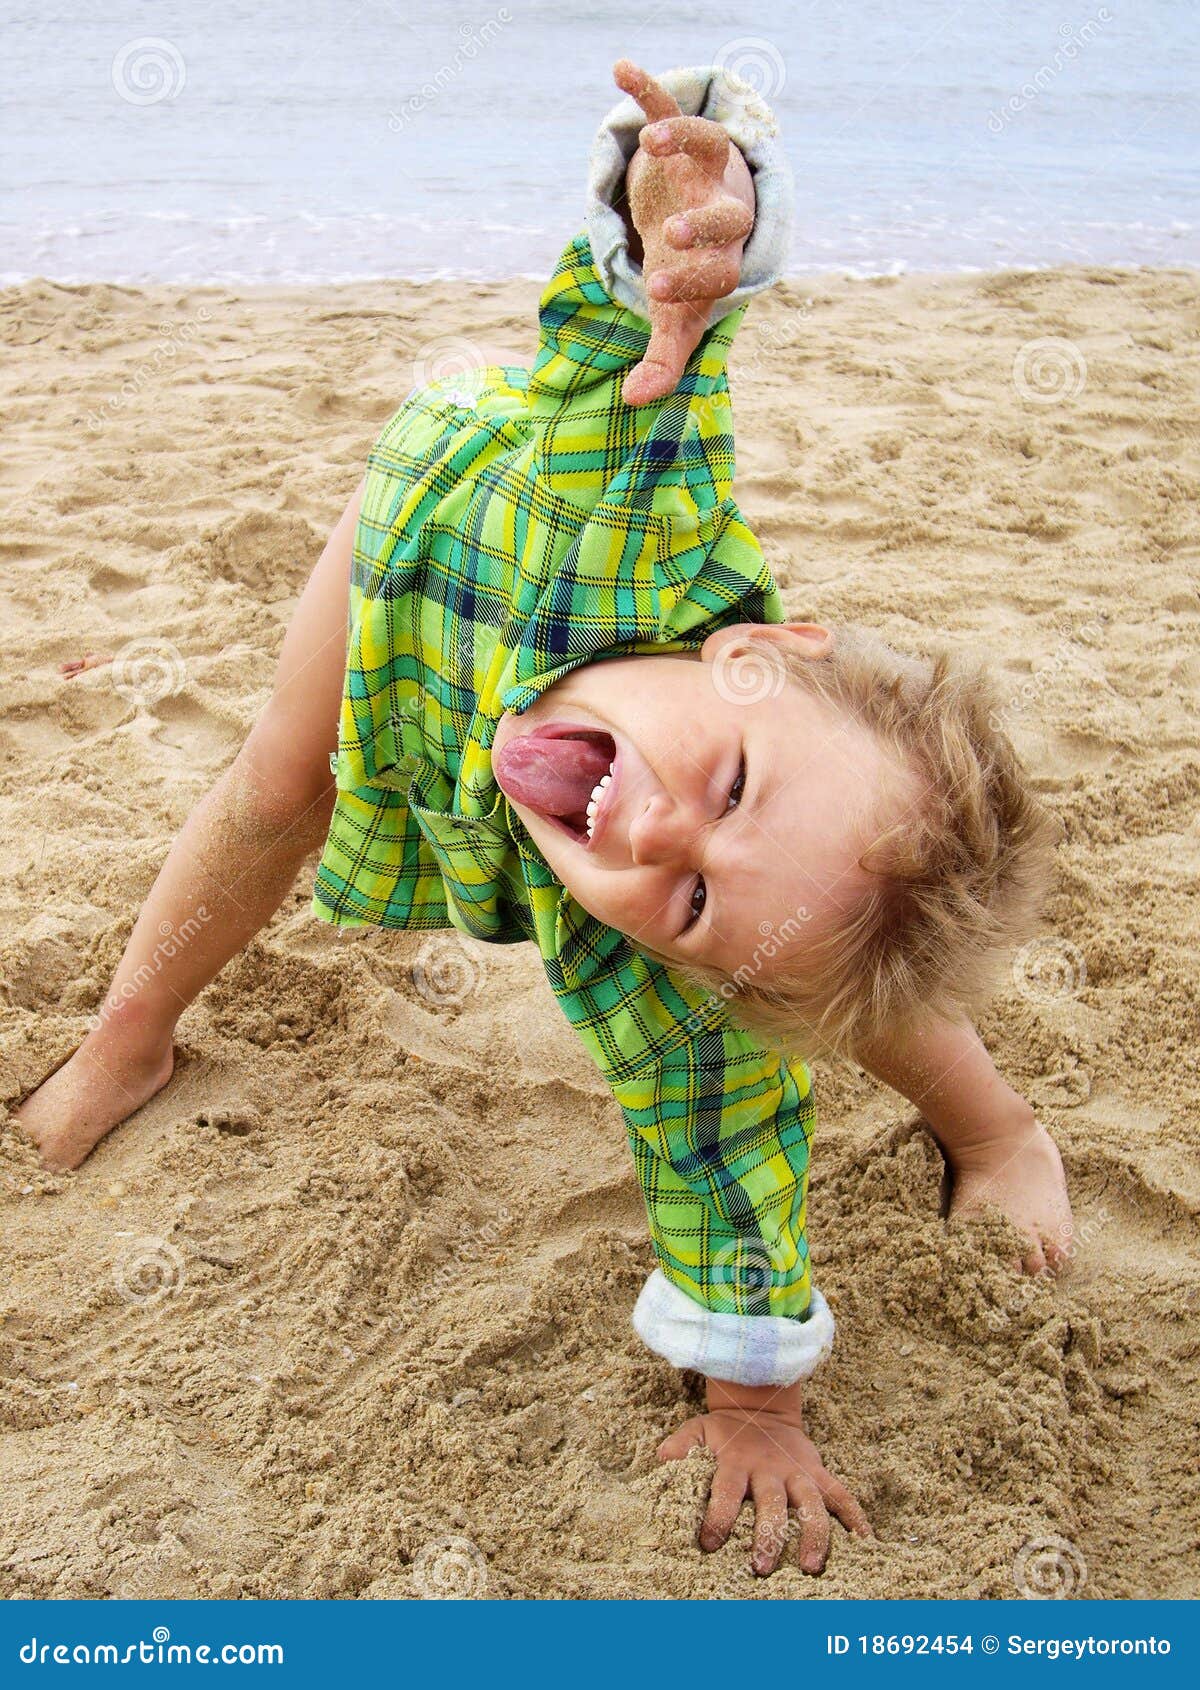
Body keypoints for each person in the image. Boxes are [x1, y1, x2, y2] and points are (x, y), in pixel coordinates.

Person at [16, 60, 1072, 1577]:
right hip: (438, 513)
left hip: (604, 777)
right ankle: (130, 1031)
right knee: (275, 783)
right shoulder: (641, 517)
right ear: (755, 656)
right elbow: (657, 353)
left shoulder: (670, 968)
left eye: (689, 893)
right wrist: (688, 224)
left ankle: (990, 1119)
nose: (654, 835)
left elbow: (724, 1156)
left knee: (818, 967)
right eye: (727, 781)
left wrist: (754, 1406)